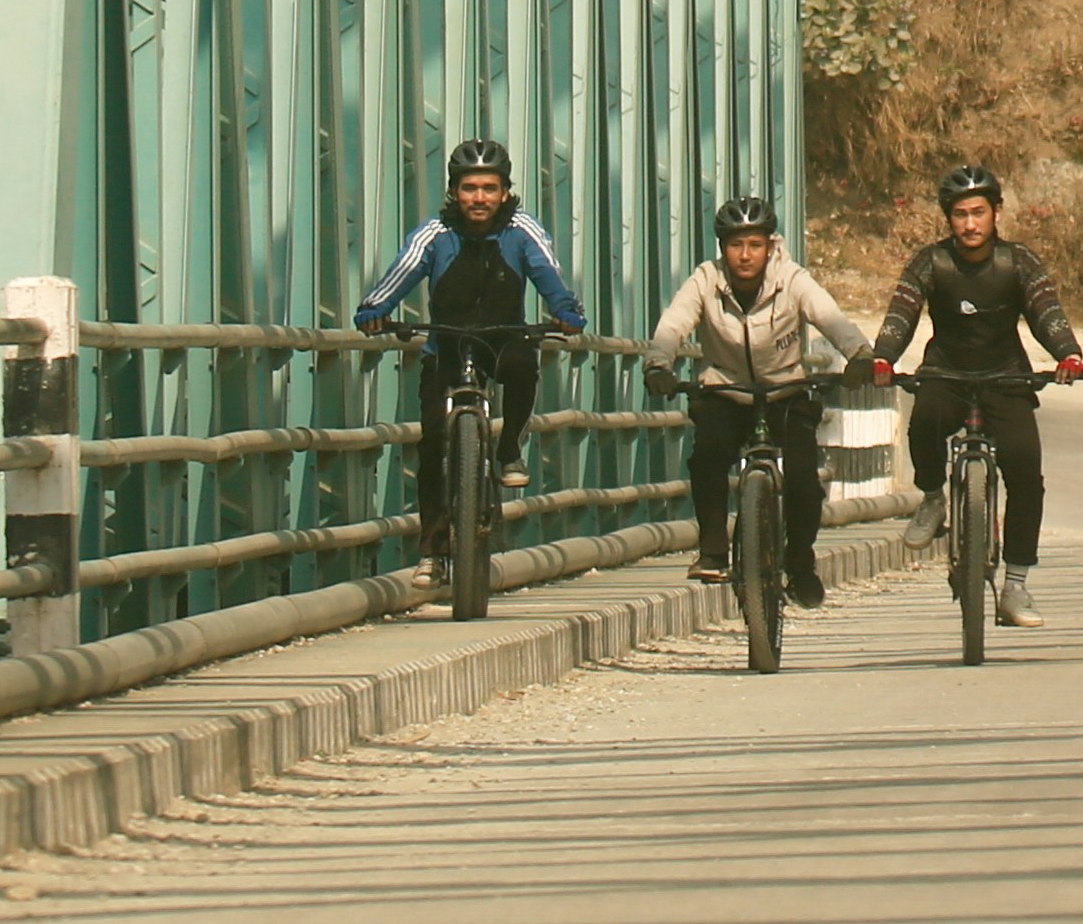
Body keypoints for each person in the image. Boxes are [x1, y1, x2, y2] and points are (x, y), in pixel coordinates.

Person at [875, 163, 1083, 625]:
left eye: (978, 213)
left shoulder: (1019, 261)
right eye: (960, 214)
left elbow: (1046, 309)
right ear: (948, 218)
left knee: (1026, 469)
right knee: (924, 421)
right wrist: (884, 357)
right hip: (946, 372)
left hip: (1006, 377)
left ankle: (1016, 586)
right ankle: (933, 497)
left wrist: (1068, 353)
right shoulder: (930, 262)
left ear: (996, 213)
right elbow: (902, 312)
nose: (970, 224)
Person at [645, 191, 863, 604]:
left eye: (755, 244)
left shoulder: (792, 279)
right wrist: (659, 364)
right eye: (735, 244)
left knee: (803, 481)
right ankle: (712, 550)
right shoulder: (706, 280)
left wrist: (860, 355)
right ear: (722, 248)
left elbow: (831, 317)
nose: (745, 255)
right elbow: (673, 324)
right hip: (726, 390)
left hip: (785, 390)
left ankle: (799, 563)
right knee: (707, 456)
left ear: (771, 245)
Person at [351, 137, 590, 501]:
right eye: (470, 188)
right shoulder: (436, 233)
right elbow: (405, 269)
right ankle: (433, 550)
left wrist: (566, 311)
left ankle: (509, 450)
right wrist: (375, 310)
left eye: (490, 189)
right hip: (447, 344)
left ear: (506, 193)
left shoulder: (522, 230)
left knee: (523, 367)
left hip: (503, 339)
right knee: (431, 446)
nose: (479, 198)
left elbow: (547, 272)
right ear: (453, 191)